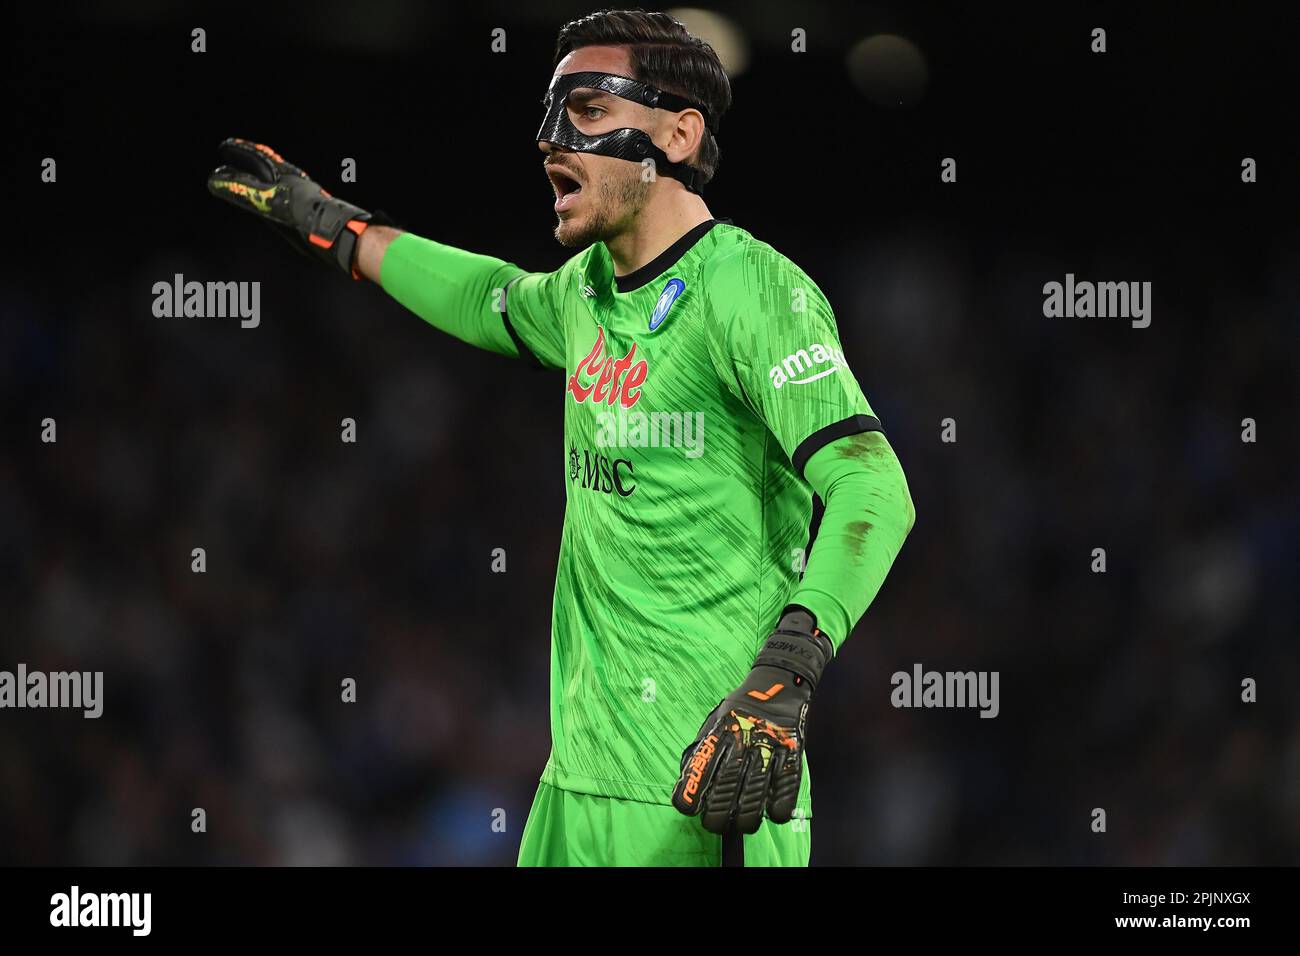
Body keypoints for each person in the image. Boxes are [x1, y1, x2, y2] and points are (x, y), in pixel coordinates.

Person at [207, 8, 915, 867]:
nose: (550, 138)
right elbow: (486, 297)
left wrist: (786, 672)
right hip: (574, 788)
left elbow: (874, 487)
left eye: (587, 109)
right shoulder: (584, 294)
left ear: (678, 135)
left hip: (705, 786)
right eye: (550, 112)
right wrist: (340, 230)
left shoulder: (751, 289)